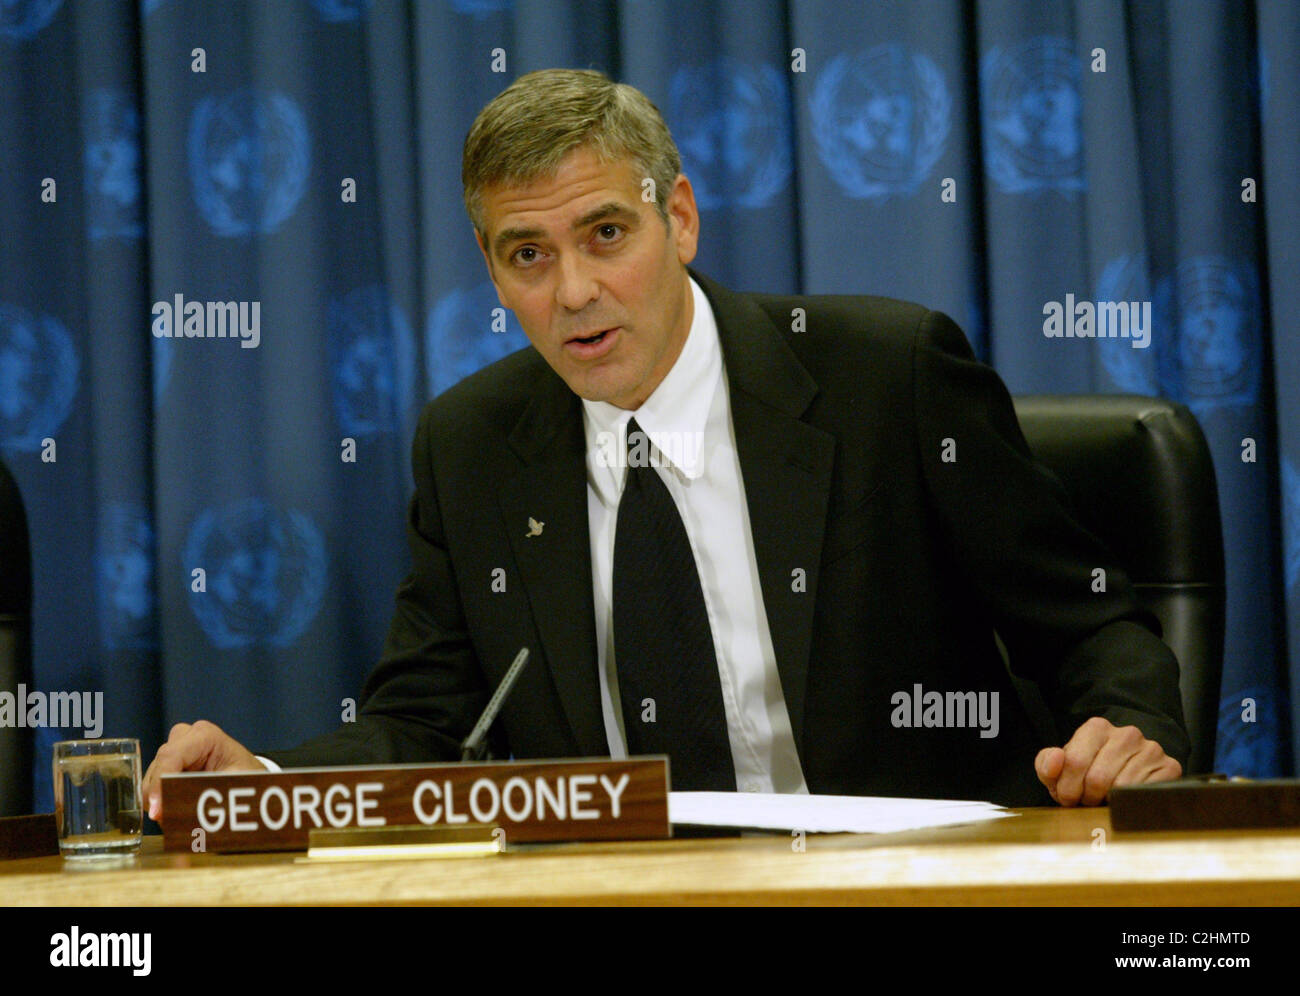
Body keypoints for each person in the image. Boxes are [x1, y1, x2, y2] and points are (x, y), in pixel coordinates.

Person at [144, 68, 1186, 817]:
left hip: (908, 891)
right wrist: (268, 785)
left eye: (606, 233)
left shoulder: (888, 377)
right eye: (527, 255)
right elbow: (428, 727)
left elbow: (1091, 627)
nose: (575, 292)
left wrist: (1129, 735)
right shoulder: (470, 446)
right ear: (492, 272)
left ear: (676, 219)